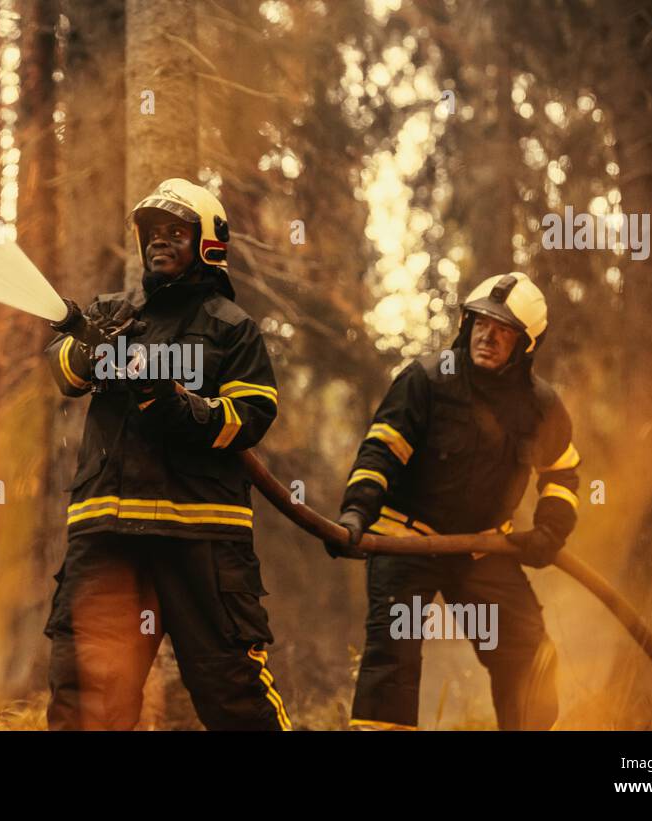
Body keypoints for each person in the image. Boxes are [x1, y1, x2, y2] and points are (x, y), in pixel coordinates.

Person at [42, 178, 290, 730]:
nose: (159, 241)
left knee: (233, 692)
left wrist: (176, 404)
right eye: (152, 232)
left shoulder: (233, 329)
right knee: (86, 697)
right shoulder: (113, 312)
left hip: (200, 535)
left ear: (208, 243)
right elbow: (62, 372)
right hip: (106, 536)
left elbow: (249, 417)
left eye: (176, 231)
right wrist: (88, 347)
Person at [328, 272, 580, 730]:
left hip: (483, 548)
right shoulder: (426, 379)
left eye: (504, 329)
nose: (488, 335)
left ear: (526, 345)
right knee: (393, 660)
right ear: (466, 324)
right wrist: (356, 513)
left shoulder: (540, 404)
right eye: (481, 321)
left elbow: (562, 473)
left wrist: (550, 531)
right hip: (404, 540)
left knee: (527, 651)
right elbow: (381, 450)